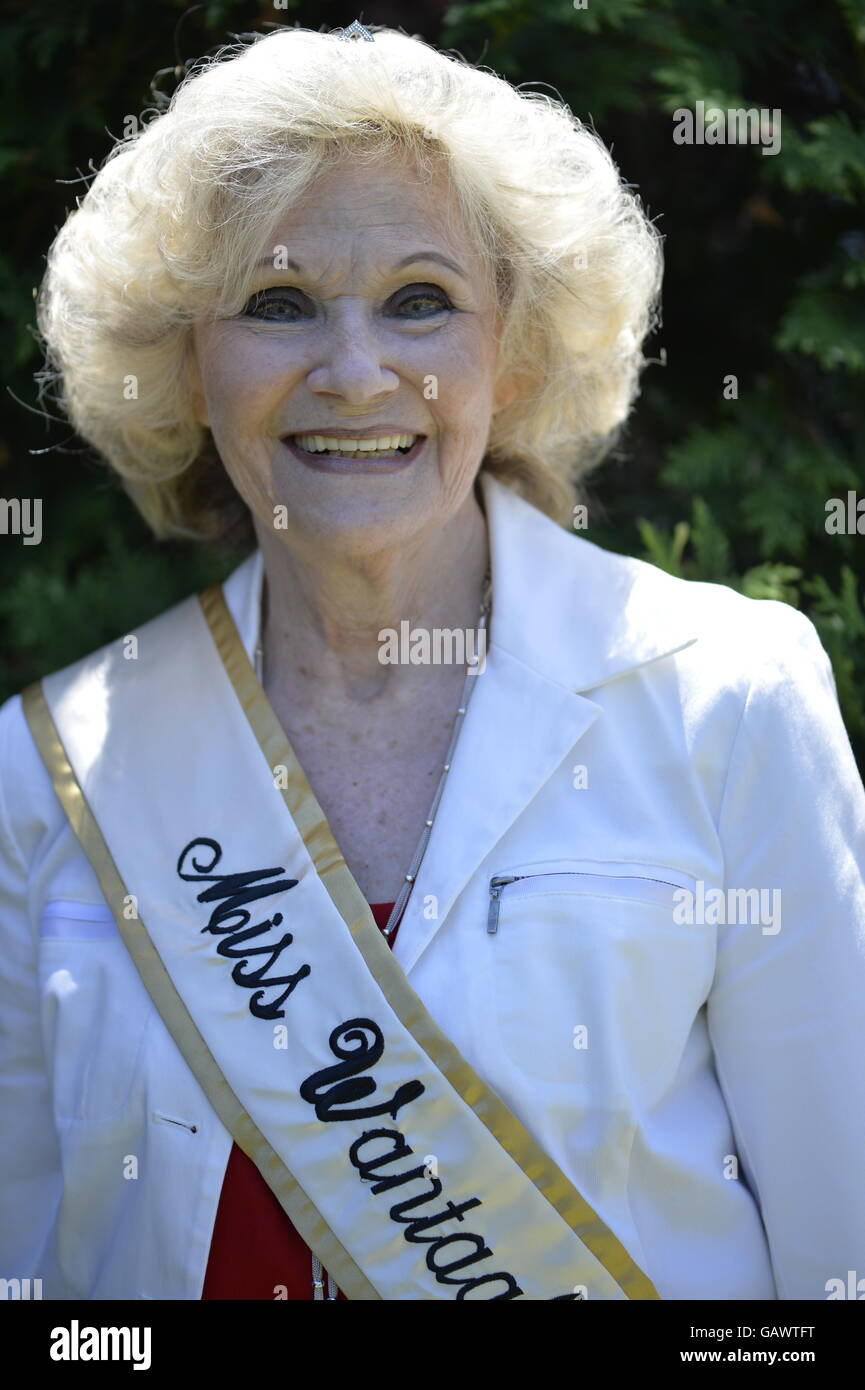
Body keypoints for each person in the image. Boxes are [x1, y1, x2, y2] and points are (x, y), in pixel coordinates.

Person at [1, 21, 863, 1303]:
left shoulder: (722, 697)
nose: (356, 373)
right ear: (185, 361)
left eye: (422, 299)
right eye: (278, 304)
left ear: (510, 354)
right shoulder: (46, 773)